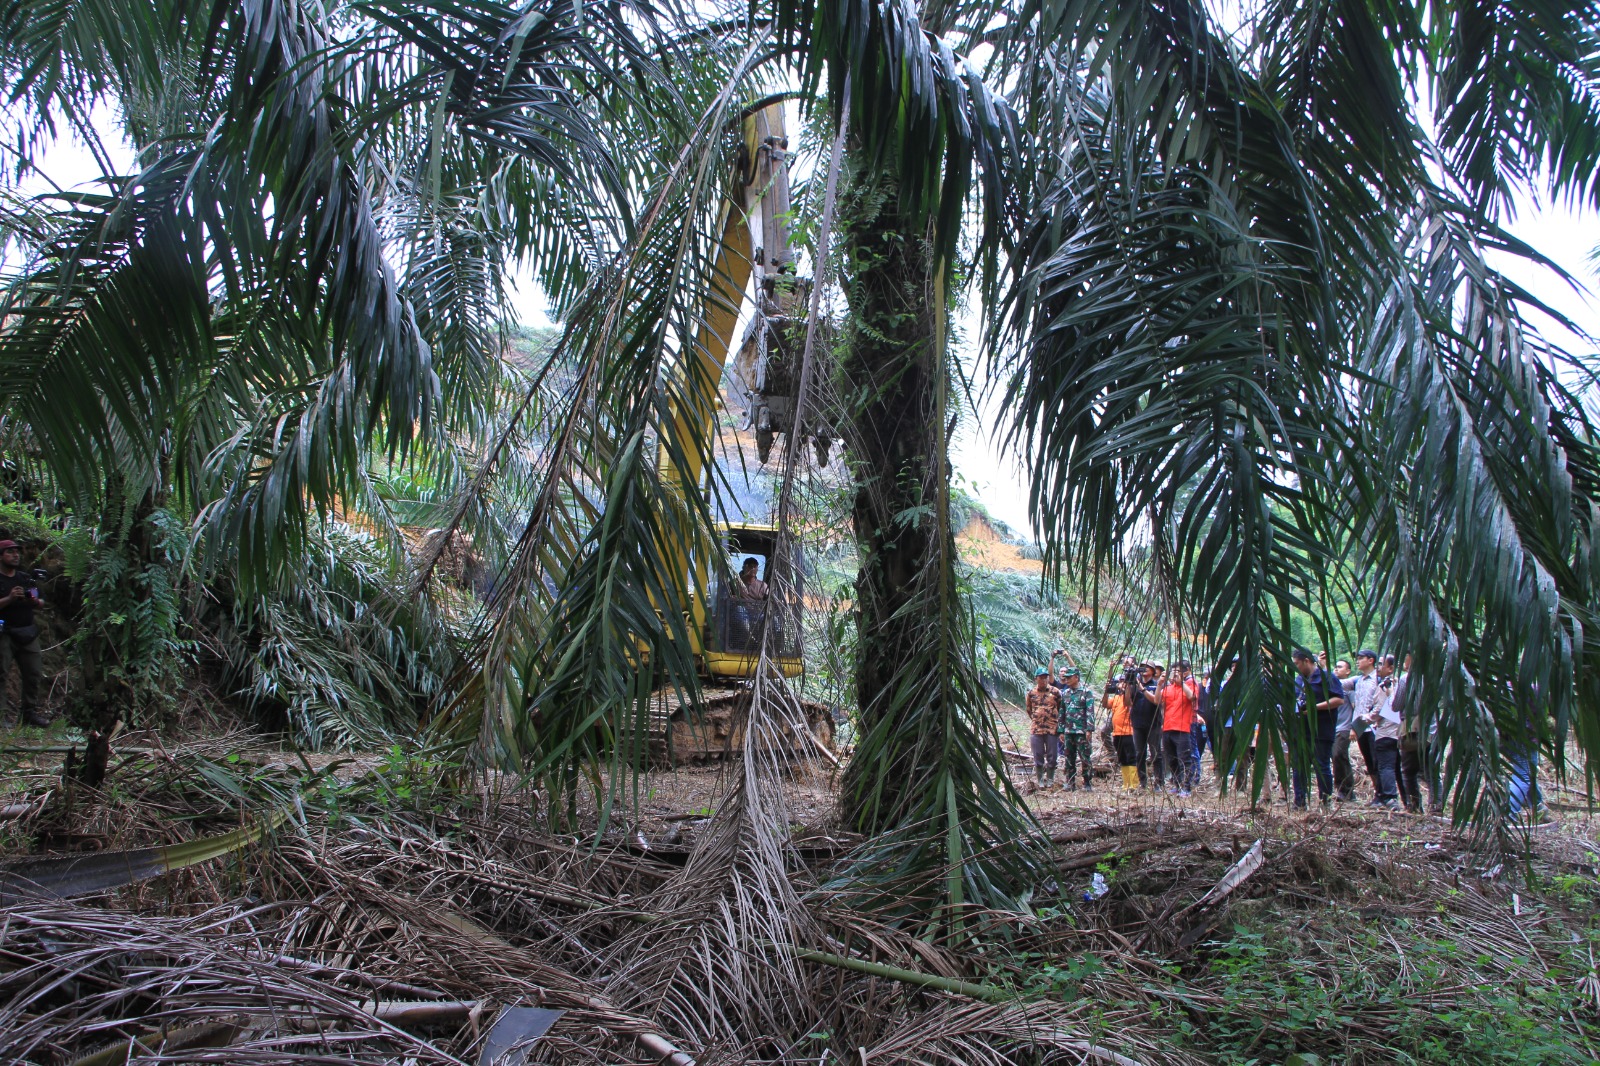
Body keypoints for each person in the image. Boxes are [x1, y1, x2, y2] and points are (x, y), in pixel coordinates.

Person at [0, 540, 48, 728]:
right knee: (1, 673)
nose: (15, 555)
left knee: (33, 673)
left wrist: (32, 600)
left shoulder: (26, 579)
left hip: (27, 633)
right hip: (5, 633)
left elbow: (41, 602)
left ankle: (29, 713)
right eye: (10, 552)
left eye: (17, 552)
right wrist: (9, 598)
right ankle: (1, 716)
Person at [1288, 648, 1343, 808]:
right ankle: (1299, 802)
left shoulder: (1327, 677)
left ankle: (1325, 801)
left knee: (1321, 765)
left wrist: (1315, 707)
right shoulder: (1298, 680)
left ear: (1306, 661)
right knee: (1299, 766)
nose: (1295, 667)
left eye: (1297, 663)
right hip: (1300, 730)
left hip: (1321, 730)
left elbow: (1339, 699)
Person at [1334, 653, 1378, 801]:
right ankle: (1378, 796)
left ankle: (1385, 796)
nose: (1357, 661)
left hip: (1375, 727)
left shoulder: (1378, 679)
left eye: (1360, 658)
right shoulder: (1358, 680)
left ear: (1370, 660)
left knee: (1377, 762)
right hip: (1361, 729)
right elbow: (1337, 683)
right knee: (1370, 762)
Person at [1364, 655, 1402, 808]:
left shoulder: (1385, 685)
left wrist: (1367, 718)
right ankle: (1409, 801)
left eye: (1381, 664)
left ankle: (1389, 798)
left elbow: (1379, 710)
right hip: (1400, 732)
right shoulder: (1402, 683)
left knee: (1386, 766)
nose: (1378, 668)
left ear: (1390, 668)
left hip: (1386, 731)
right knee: (1399, 768)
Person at [1158, 661, 1201, 795]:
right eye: (1174, 671)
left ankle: (1186, 787)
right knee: (1172, 759)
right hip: (1167, 727)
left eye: (1178, 671)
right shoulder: (1168, 688)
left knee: (1184, 759)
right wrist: (1159, 684)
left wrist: (1181, 683)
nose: (1175, 673)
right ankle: (1177, 784)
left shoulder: (1190, 685)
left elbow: (1192, 697)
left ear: (1184, 672)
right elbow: (1157, 700)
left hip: (1182, 728)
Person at [1056, 667, 1097, 791]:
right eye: (1066, 677)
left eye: (1069, 677)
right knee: (1069, 758)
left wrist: (1089, 729)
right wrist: (1061, 730)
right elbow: (1062, 712)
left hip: (1081, 731)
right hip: (1069, 731)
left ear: (1076, 678)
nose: (1067, 679)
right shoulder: (1065, 693)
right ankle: (1070, 782)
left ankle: (1087, 782)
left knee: (1085, 757)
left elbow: (1090, 711)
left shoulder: (1086, 692)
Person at [1129, 661, 1164, 789]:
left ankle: (1159, 782)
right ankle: (1142, 781)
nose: (1144, 669)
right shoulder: (1134, 685)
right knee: (1139, 753)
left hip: (1153, 724)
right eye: (1142, 667)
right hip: (1138, 724)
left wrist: (1142, 688)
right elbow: (1128, 702)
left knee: (1156, 753)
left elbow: (1156, 701)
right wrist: (1128, 686)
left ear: (1153, 671)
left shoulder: (1157, 684)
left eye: (1147, 667)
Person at [1025, 667, 1061, 790]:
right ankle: (1040, 780)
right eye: (1041, 678)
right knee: (1038, 755)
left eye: (1045, 677)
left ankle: (1050, 779)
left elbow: (1060, 707)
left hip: (1052, 729)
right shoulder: (1031, 693)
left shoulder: (1055, 692)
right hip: (1036, 729)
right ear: (1036, 679)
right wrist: (1037, 718)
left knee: (1052, 755)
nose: (1044, 680)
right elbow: (1029, 710)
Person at [1105, 677, 1138, 789]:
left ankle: (1134, 783)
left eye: (1123, 681)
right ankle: (1126, 783)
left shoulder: (1131, 697)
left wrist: (1127, 687)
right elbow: (1105, 704)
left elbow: (1127, 702)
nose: (1120, 684)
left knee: (1131, 757)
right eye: (1120, 681)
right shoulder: (1115, 698)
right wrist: (1106, 691)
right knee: (1122, 758)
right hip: (1117, 733)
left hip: (1128, 732)